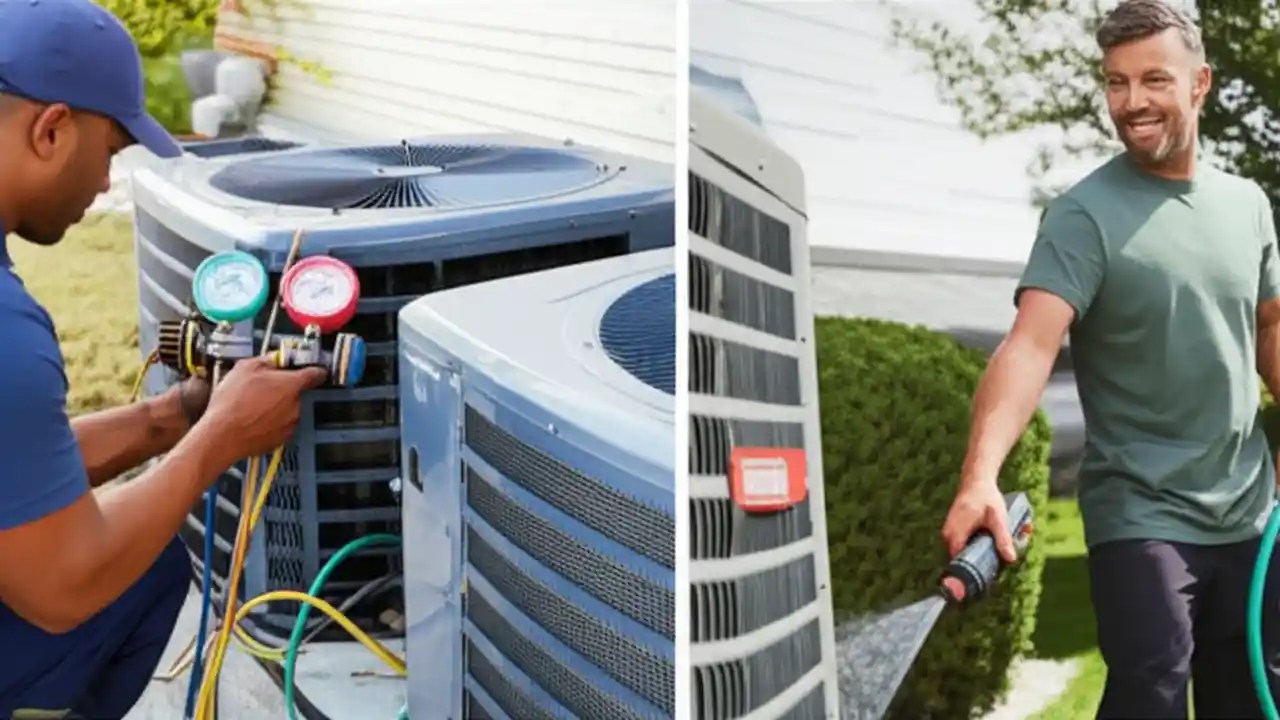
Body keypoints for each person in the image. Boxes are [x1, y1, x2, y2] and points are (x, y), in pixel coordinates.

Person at [939, 0, 1280, 717]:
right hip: (1142, 511)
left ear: (1200, 84)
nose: (1131, 103)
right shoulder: (1084, 215)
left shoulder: (1247, 205)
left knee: (1252, 697)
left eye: (1153, 80)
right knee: (1152, 686)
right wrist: (981, 476)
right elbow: (1029, 346)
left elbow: (1271, 329)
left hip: (1249, 511)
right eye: (1115, 83)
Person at [0, 0, 328, 717]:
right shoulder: (7, 333)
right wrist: (221, 439)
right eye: (112, 151)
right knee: (141, 568)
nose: (104, 185)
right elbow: (65, 587)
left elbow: (15, 467)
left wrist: (171, 417)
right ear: (51, 129)